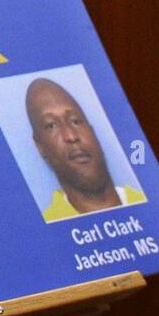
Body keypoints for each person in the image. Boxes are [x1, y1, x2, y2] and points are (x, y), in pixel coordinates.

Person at [25, 78, 146, 221]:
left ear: (92, 131)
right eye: (51, 126)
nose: (71, 136)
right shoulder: (48, 229)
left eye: (75, 121)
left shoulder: (147, 201)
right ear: (40, 147)